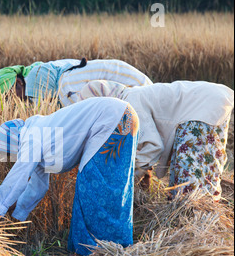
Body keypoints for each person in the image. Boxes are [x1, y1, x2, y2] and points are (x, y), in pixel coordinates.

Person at [0, 97, 140, 256]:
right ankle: (116, 248)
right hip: (126, 115)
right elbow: (38, 187)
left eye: (11, 153)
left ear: (13, 142)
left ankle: (92, 252)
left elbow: (19, 174)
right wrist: (16, 214)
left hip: (113, 118)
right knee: (114, 186)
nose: (14, 158)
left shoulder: (31, 135)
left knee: (92, 187)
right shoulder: (41, 135)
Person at [75, 79, 234, 201]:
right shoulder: (130, 96)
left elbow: (152, 147)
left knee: (188, 178)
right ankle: (205, 216)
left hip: (202, 105)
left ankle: (195, 224)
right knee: (206, 166)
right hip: (213, 100)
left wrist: (129, 178)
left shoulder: (130, 103)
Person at [16, 58, 153, 106]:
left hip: (141, 94)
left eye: (8, 95)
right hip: (146, 90)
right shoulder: (69, 74)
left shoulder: (68, 89)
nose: (12, 100)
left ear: (19, 83)